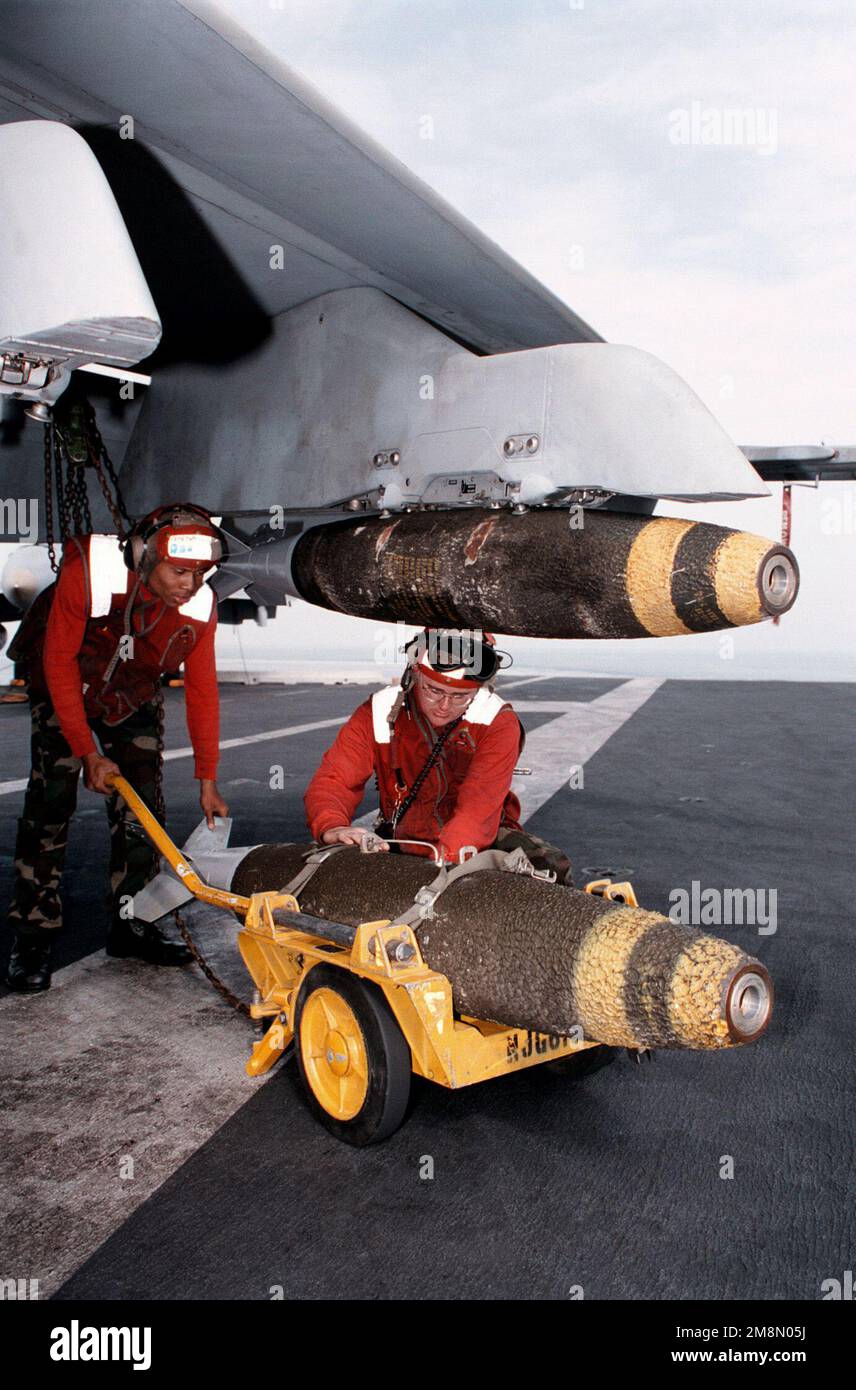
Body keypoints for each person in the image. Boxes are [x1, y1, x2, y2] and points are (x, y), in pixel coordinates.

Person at [4, 503, 229, 993]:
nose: (190, 584)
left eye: (200, 572)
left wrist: (207, 778)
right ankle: (33, 933)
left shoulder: (200, 606)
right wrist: (87, 752)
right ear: (146, 556)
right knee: (50, 805)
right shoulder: (91, 571)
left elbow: (202, 691)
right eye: (179, 571)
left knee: (142, 812)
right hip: (66, 686)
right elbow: (59, 662)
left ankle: (132, 921)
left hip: (130, 695)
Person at [305, 628, 572, 878]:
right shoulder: (379, 710)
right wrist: (332, 826)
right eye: (433, 690)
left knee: (551, 867)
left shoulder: (497, 721)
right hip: (401, 837)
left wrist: (445, 867)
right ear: (413, 676)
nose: (444, 706)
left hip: (478, 839)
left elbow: (477, 810)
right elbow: (336, 779)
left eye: (459, 696)